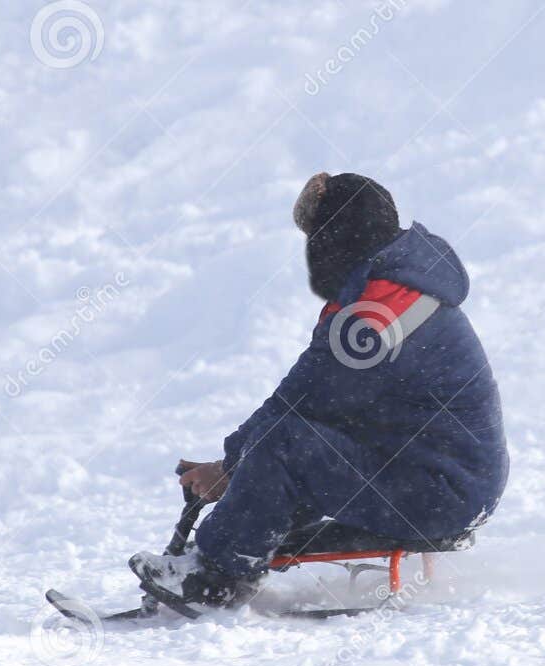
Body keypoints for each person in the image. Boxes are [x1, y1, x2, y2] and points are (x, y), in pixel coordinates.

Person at [131, 172, 509, 608]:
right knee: (296, 445)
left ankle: (214, 579)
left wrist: (232, 466)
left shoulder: (374, 314)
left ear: (338, 239)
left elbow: (303, 401)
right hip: (446, 480)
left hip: (439, 493)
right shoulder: (399, 286)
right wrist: (239, 469)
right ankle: (240, 543)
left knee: (286, 443)